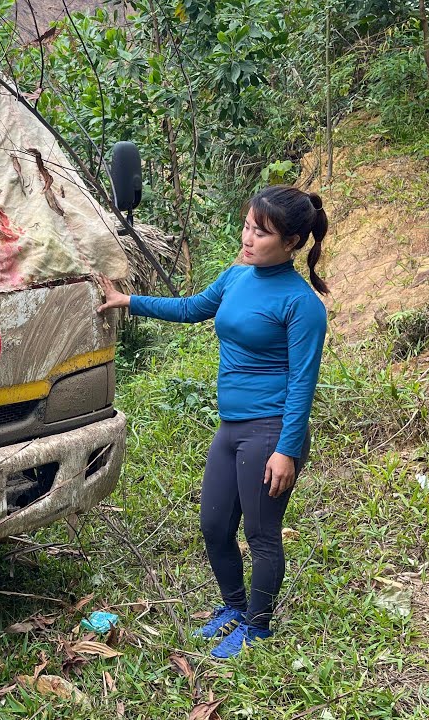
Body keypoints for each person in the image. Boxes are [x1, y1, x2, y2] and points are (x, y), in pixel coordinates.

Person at [97, 185, 329, 658]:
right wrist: (128, 301)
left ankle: (258, 627)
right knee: (214, 524)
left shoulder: (302, 305)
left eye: (260, 233)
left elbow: (303, 384)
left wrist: (287, 450)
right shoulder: (236, 278)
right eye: (247, 225)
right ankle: (233, 608)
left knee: (262, 535)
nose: (247, 237)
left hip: (270, 430)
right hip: (232, 427)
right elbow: (190, 309)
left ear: (291, 243)